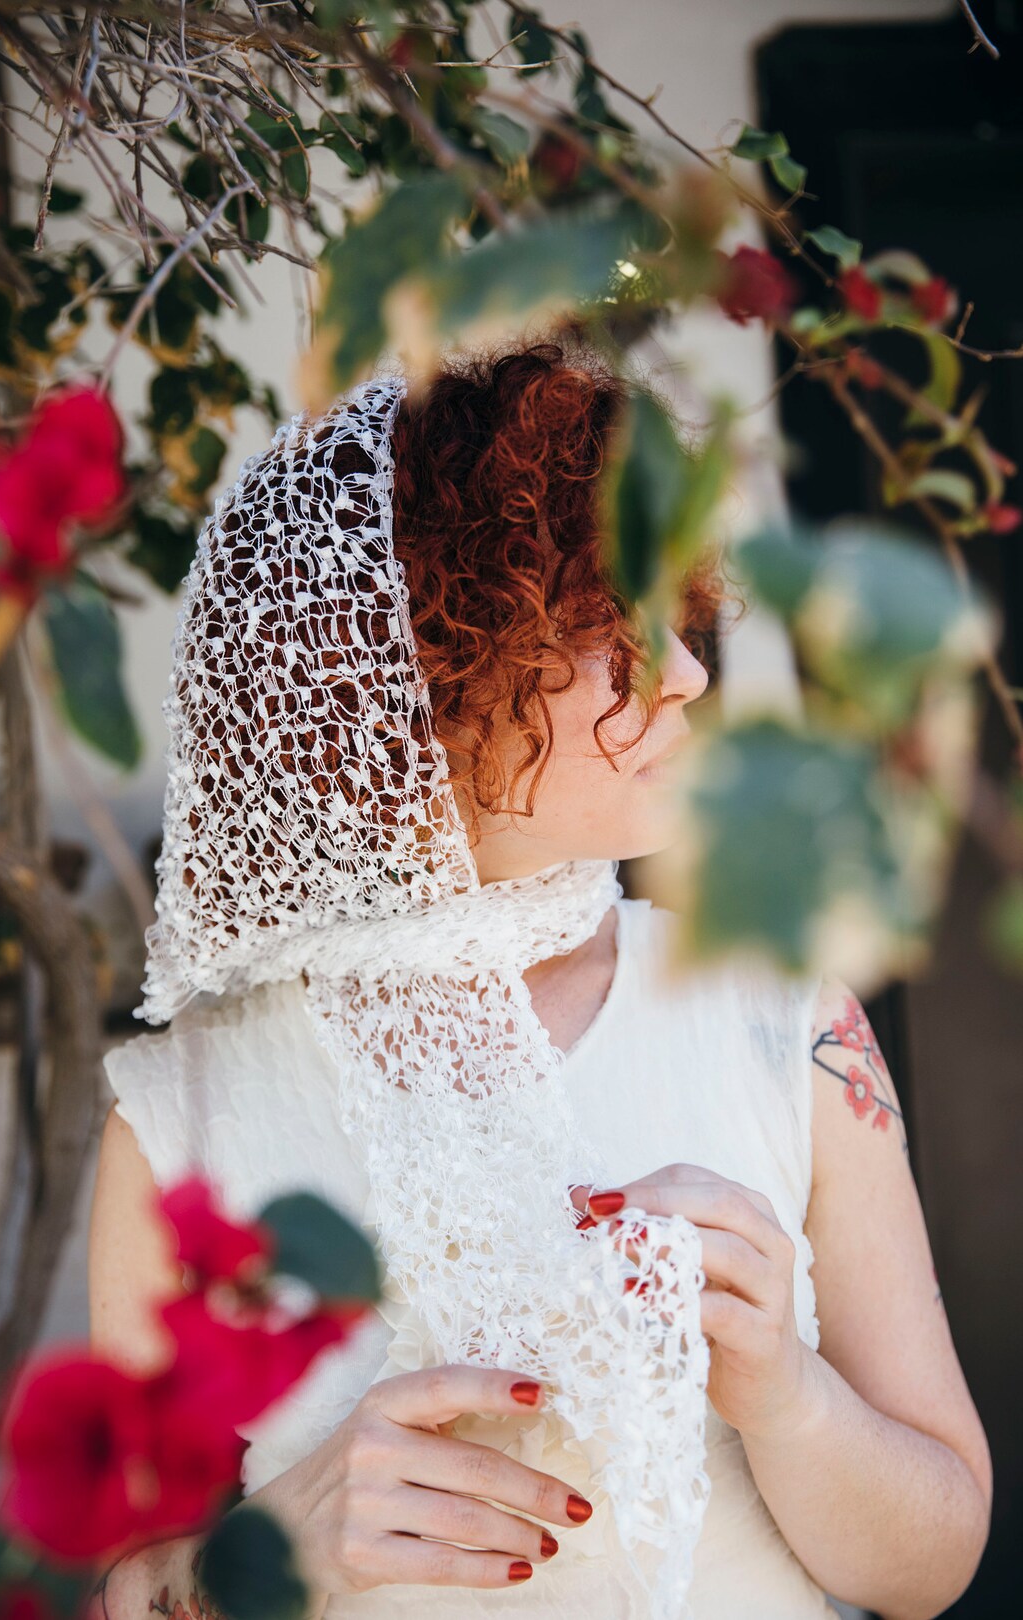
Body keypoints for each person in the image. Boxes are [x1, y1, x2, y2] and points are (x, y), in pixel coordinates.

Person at [89, 340, 992, 1619]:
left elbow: (939, 1560)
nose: (684, 673)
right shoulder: (185, 1116)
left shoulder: (778, 1010)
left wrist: (785, 1389)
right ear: (416, 676)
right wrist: (265, 1548)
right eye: (604, 625)